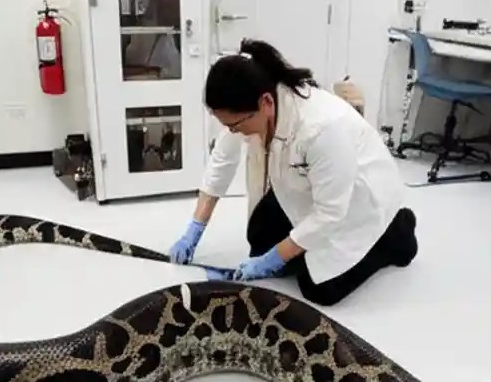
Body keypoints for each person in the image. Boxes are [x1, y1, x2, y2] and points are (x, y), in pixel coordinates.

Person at [169, 39, 417, 306]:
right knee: (259, 238)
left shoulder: (322, 128)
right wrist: (194, 230)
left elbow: (330, 213)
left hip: (358, 198)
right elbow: (221, 162)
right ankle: (300, 248)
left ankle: (396, 232)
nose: (231, 131)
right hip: (305, 187)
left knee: (320, 289)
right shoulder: (250, 105)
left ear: (265, 102)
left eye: (234, 125)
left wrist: (275, 258)